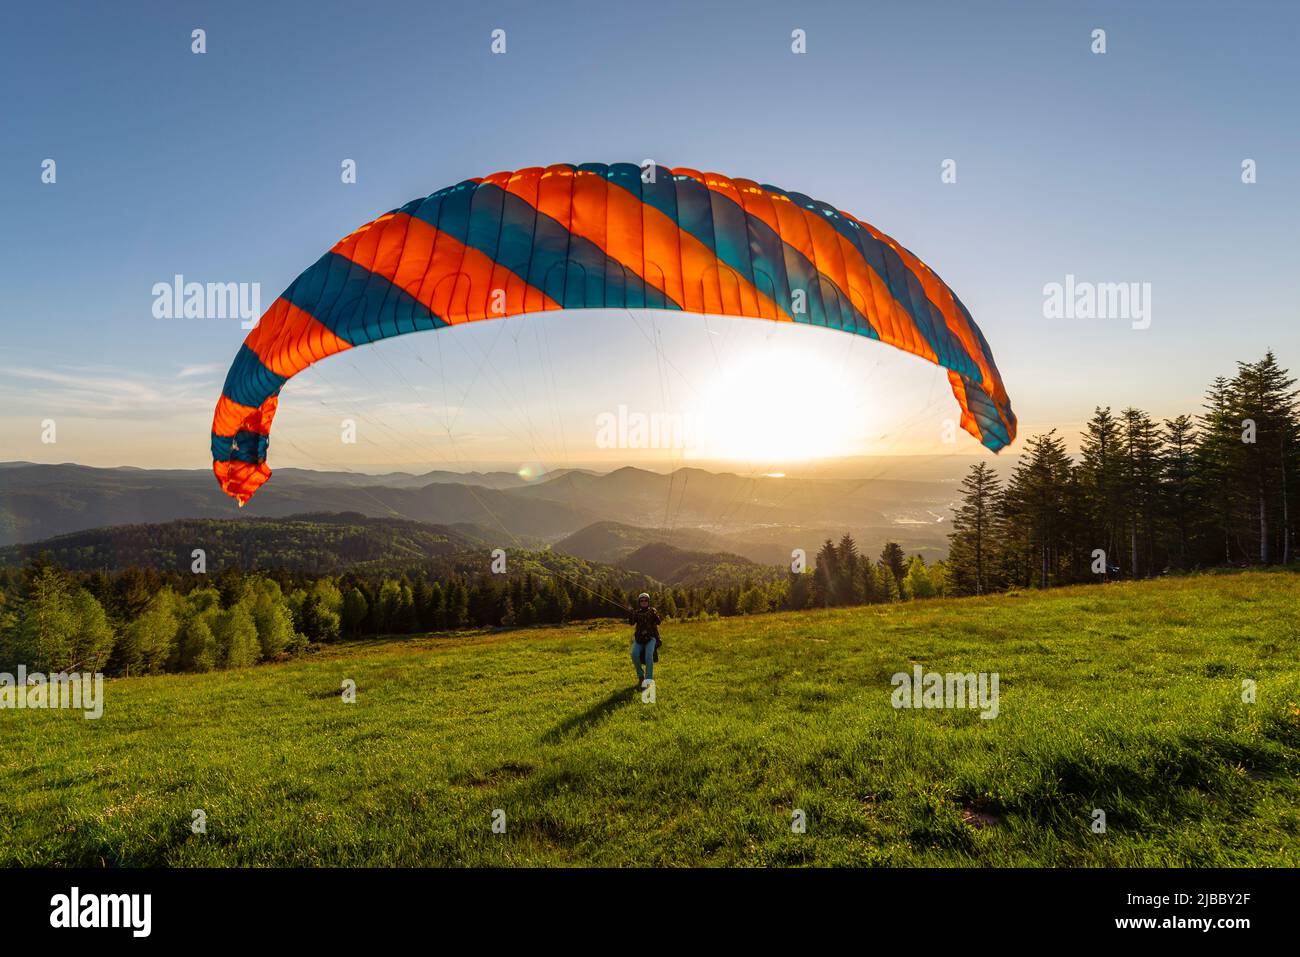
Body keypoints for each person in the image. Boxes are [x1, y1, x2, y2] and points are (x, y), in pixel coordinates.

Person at [628, 592, 661, 688]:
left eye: (645, 600)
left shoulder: (652, 611)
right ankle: (641, 677)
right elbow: (631, 623)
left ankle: (648, 680)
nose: (644, 602)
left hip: (651, 637)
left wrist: (655, 615)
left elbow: (659, 622)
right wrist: (631, 614)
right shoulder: (636, 613)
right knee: (634, 654)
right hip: (639, 638)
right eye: (641, 600)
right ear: (639, 602)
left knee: (648, 655)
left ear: (648, 601)